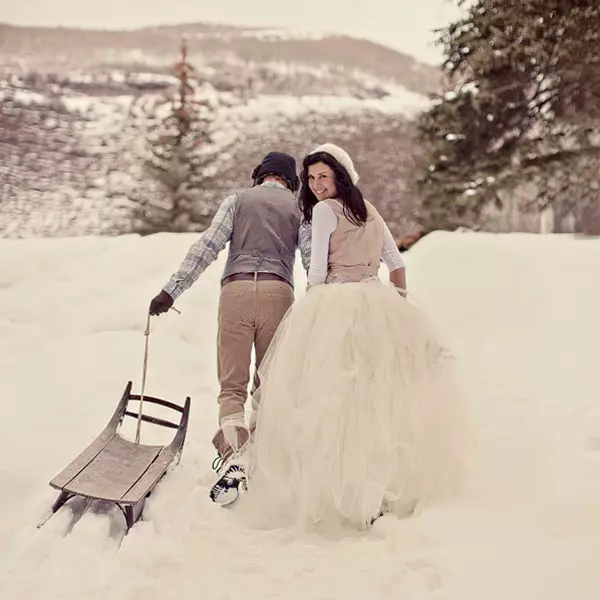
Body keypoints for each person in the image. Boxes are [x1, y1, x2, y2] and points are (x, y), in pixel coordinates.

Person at [235, 143, 469, 530]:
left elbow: (315, 272)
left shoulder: (325, 212)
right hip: (376, 302)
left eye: (322, 176)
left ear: (340, 176)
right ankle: (382, 489)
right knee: (377, 401)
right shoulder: (369, 211)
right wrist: (398, 307)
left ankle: (340, 492)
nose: (315, 185)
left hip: (336, 304)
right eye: (310, 179)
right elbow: (395, 263)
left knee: (333, 403)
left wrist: (311, 317)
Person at [149, 151, 311, 486]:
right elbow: (312, 261)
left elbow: (207, 246)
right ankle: (262, 458)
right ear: (291, 181)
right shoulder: (300, 209)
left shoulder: (237, 201)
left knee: (232, 386)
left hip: (236, 293)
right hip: (278, 295)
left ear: (260, 175)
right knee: (269, 384)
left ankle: (234, 457)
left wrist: (171, 291)